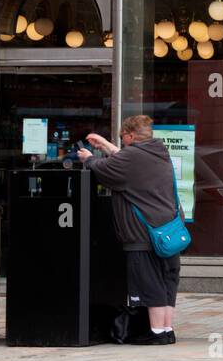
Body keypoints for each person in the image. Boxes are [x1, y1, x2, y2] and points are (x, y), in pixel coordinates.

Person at [78, 115, 182, 345]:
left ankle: (155, 333)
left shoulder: (132, 157)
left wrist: (88, 159)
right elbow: (126, 160)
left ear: (132, 136)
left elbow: (106, 168)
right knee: (167, 282)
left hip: (143, 234)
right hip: (166, 232)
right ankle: (166, 329)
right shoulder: (158, 152)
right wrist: (105, 145)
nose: (121, 140)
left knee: (150, 283)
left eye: (122, 136)